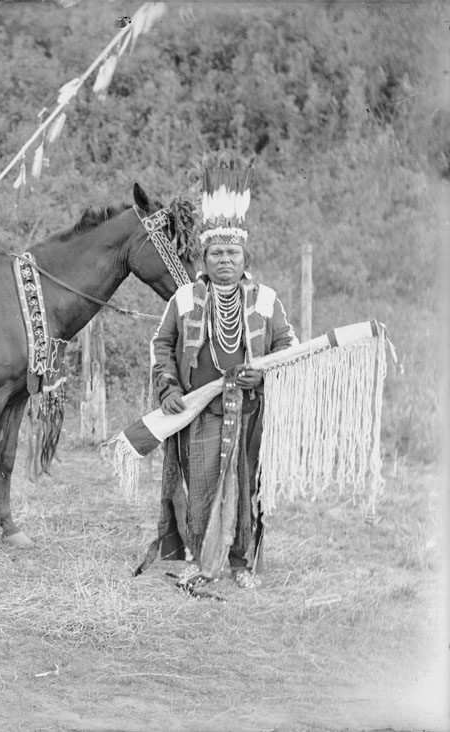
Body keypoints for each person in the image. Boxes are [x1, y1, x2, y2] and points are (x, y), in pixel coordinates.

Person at [142, 154, 297, 591]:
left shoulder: (266, 300)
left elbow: (287, 347)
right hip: (199, 411)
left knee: (249, 487)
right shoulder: (184, 299)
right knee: (202, 484)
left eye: (232, 252)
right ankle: (197, 555)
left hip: (249, 412)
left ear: (245, 255)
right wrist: (169, 385)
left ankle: (243, 562)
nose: (224, 259)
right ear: (204, 257)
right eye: (215, 252)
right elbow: (163, 345)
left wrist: (264, 376)